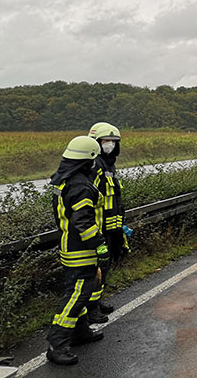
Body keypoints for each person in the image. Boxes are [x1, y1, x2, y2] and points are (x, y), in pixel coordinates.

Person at [46, 136, 107, 366]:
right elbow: (84, 222)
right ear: (88, 160)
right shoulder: (80, 185)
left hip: (68, 246)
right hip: (80, 250)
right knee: (76, 296)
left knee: (80, 292)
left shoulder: (64, 179)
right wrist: (100, 244)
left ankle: (80, 332)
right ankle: (57, 344)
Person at [86, 122, 126, 321]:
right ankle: (91, 309)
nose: (109, 144)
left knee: (105, 267)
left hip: (110, 227)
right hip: (96, 228)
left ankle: (97, 302)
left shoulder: (110, 165)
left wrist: (120, 226)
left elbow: (114, 197)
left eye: (113, 141)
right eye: (105, 141)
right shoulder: (94, 165)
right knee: (95, 270)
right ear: (96, 142)